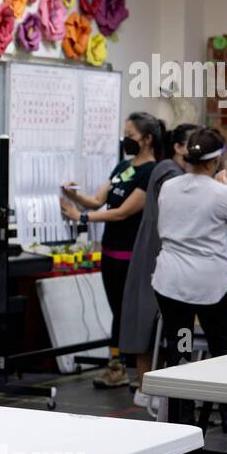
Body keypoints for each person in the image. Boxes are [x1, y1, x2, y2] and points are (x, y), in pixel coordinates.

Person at [152, 128, 227, 433]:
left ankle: (182, 416)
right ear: (216, 160)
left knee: (181, 344)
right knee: (222, 346)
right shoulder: (224, 194)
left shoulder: (169, 187)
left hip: (171, 280)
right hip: (208, 282)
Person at [60, 112, 164, 388]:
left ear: (148, 139)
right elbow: (97, 201)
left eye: (130, 136)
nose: (125, 140)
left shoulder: (151, 172)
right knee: (117, 310)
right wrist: (74, 197)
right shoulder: (123, 168)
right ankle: (121, 365)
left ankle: (125, 367)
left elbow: (122, 213)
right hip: (110, 252)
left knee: (128, 312)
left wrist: (80, 218)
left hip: (132, 255)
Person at [121, 121, 198, 413]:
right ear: (178, 147)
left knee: (162, 323)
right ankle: (148, 388)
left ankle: (159, 388)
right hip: (158, 252)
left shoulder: (178, 172)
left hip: (168, 253)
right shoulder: (169, 172)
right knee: (149, 320)